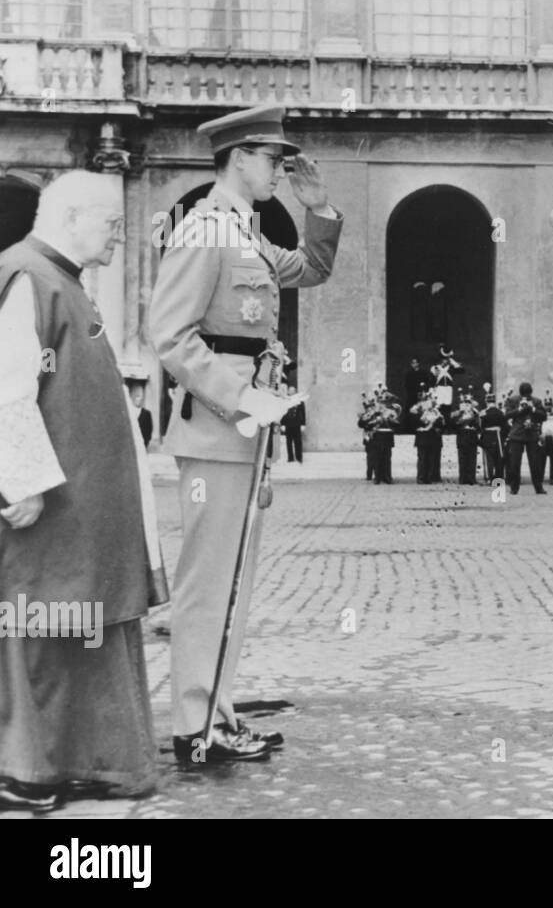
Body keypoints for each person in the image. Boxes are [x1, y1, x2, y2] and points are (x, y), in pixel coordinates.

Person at [149, 104, 343, 765]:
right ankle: (194, 726)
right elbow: (171, 335)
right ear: (239, 156)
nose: (280, 171)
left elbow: (311, 271)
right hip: (217, 427)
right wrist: (243, 396)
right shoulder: (205, 229)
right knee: (209, 584)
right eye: (273, 160)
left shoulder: (247, 233)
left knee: (235, 582)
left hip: (244, 431)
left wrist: (319, 208)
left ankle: (217, 714)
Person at [0, 170, 164, 810]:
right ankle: (21, 770)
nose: (121, 238)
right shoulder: (30, 277)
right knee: (39, 637)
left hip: (81, 510)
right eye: (112, 225)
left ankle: (68, 761)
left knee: (72, 635)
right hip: (48, 508)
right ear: (71, 217)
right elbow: (7, 389)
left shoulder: (62, 280)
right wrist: (24, 481)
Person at [504, 382, 546, 494]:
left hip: (531, 434)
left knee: (535, 463)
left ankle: (538, 487)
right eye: (524, 395)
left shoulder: (536, 401)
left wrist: (533, 409)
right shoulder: (513, 400)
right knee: (515, 463)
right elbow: (507, 415)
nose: (526, 397)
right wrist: (518, 409)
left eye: (528, 395)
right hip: (517, 435)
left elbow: (544, 416)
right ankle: (514, 488)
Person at [368, 383, 400, 484]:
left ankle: (387, 477)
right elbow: (365, 423)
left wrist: (389, 419)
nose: (382, 404)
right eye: (380, 401)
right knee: (377, 458)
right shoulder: (373, 411)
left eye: (384, 402)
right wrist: (374, 421)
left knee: (387, 458)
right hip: (377, 435)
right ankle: (377, 477)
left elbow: (397, 424)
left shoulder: (391, 411)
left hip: (387, 435)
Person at [412, 387, 444, 484]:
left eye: (430, 401)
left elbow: (441, 424)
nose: (429, 403)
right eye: (427, 401)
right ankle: (421, 478)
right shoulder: (418, 412)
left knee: (431, 459)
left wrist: (437, 424)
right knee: (422, 459)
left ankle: (429, 478)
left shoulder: (436, 412)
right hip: (422, 437)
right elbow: (414, 423)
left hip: (432, 437)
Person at [452, 389, 482, 485]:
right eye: (466, 403)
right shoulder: (459, 413)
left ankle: (471, 479)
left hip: (472, 437)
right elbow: (455, 424)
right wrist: (462, 418)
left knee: (472, 459)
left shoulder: (475, 414)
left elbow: (479, 426)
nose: (467, 405)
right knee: (462, 459)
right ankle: (463, 478)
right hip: (462, 437)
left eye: (469, 403)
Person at [480, 385, 507, 483]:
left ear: (486, 401)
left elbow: (481, 426)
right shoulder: (500, 412)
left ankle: (489, 478)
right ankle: (498, 477)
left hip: (487, 436)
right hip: (498, 436)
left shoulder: (483, 413)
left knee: (489, 458)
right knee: (498, 457)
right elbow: (505, 426)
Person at [281, 386, 305, 463]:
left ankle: (299, 457)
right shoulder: (285, 401)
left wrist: (303, 424)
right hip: (288, 424)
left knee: (298, 441)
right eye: (290, 391)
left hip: (297, 424)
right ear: (288, 392)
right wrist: (282, 424)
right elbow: (283, 413)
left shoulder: (300, 401)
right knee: (289, 442)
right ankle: (290, 457)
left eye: (293, 391)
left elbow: (303, 413)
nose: (291, 392)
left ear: (295, 392)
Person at [127, 379, 154, 447]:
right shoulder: (128, 412)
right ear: (131, 396)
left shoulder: (147, 414)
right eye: (137, 396)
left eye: (141, 396)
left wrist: (145, 444)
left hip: (142, 445)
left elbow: (149, 431)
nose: (140, 399)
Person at [358, 391, 376, 481]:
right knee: (370, 457)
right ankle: (369, 474)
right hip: (369, 438)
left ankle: (377, 474)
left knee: (376, 457)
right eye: (368, 407)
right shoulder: (365, 415)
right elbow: (360, 424)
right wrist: (364, 419)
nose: (370, 409)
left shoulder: (376, 414)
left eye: (371, 407)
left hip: (377, 437)